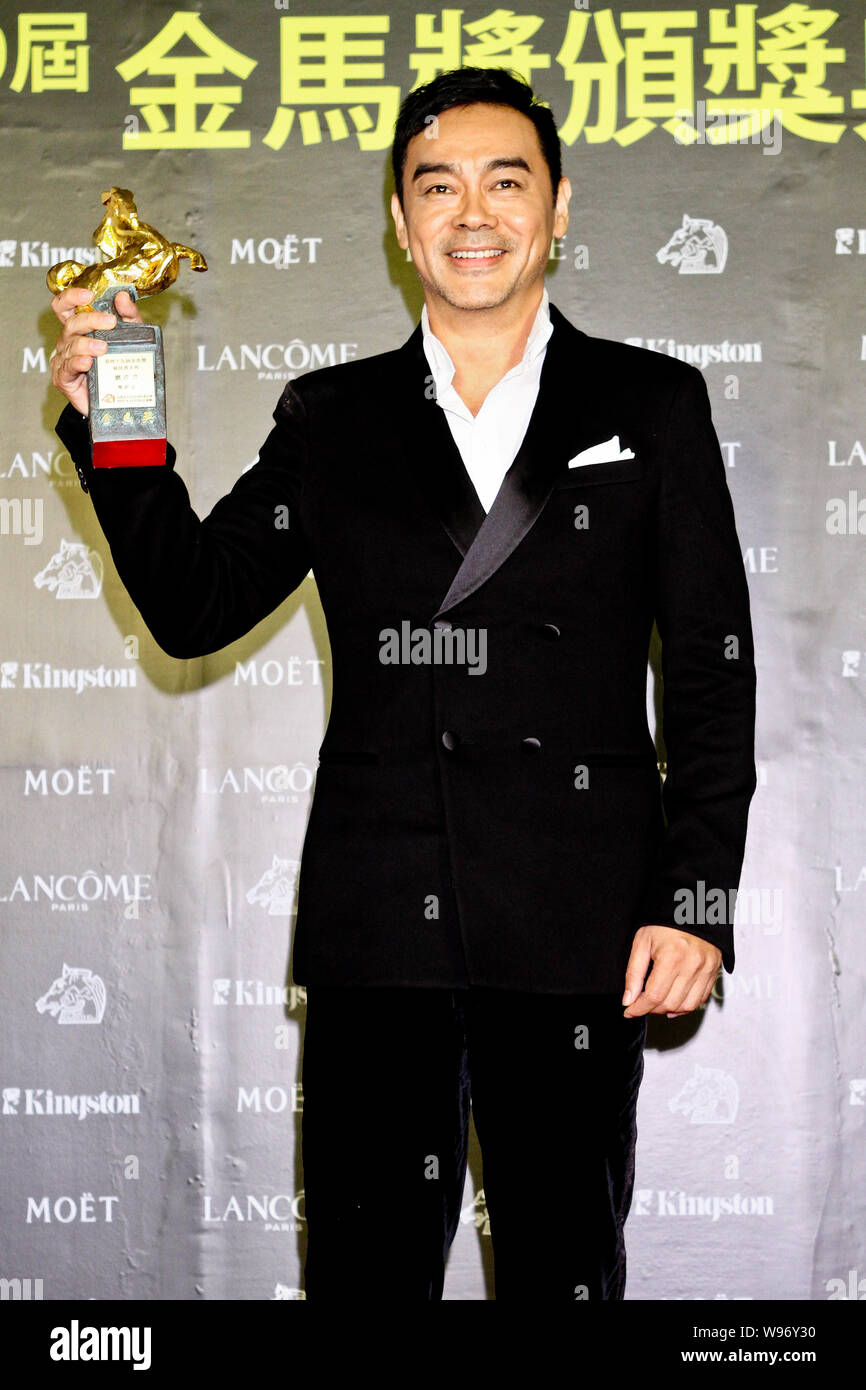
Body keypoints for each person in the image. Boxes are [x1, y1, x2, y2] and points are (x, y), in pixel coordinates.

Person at [48, 66, 756, 1301]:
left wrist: (692, 903)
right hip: (383, 927)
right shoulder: (333, 417)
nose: (470, 214)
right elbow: (195, 602)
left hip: (578, 927)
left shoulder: (650, 404)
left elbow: (707, 673)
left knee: (566, 1274)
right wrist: (116, 409)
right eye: (438, 186)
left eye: (504, 182)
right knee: (364, 1287)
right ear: (397, 218)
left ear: (558, 208)